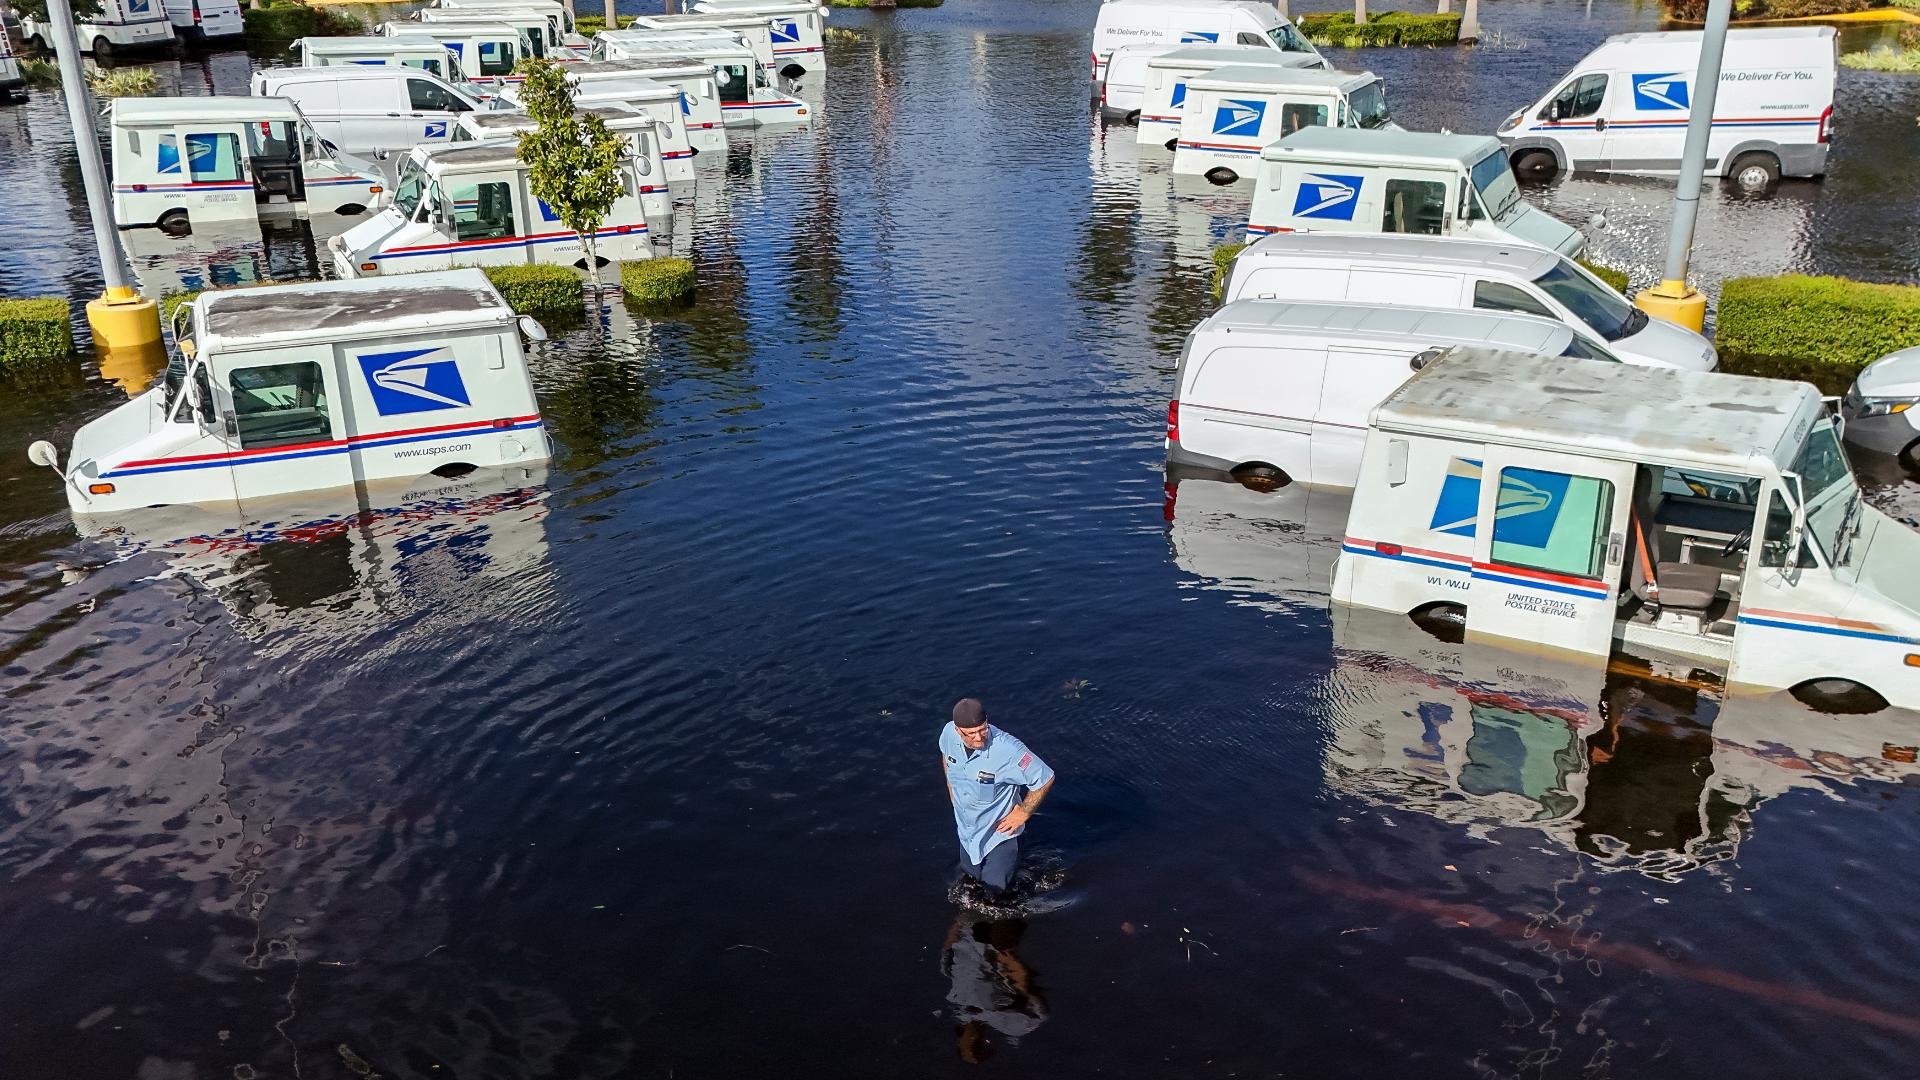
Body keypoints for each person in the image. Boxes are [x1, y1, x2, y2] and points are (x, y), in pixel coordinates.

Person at [940, 698, 1055, 900]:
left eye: (982, 729)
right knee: (971, 880)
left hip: (999, 835)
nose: (979, 738)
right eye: (971, 733)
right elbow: (945, 755)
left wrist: (1024, 812)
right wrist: (951, 786)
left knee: (994, 896)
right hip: (967, 833)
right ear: (958, 730)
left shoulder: (1009, 751)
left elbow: (1044, 778)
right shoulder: (948, 733)